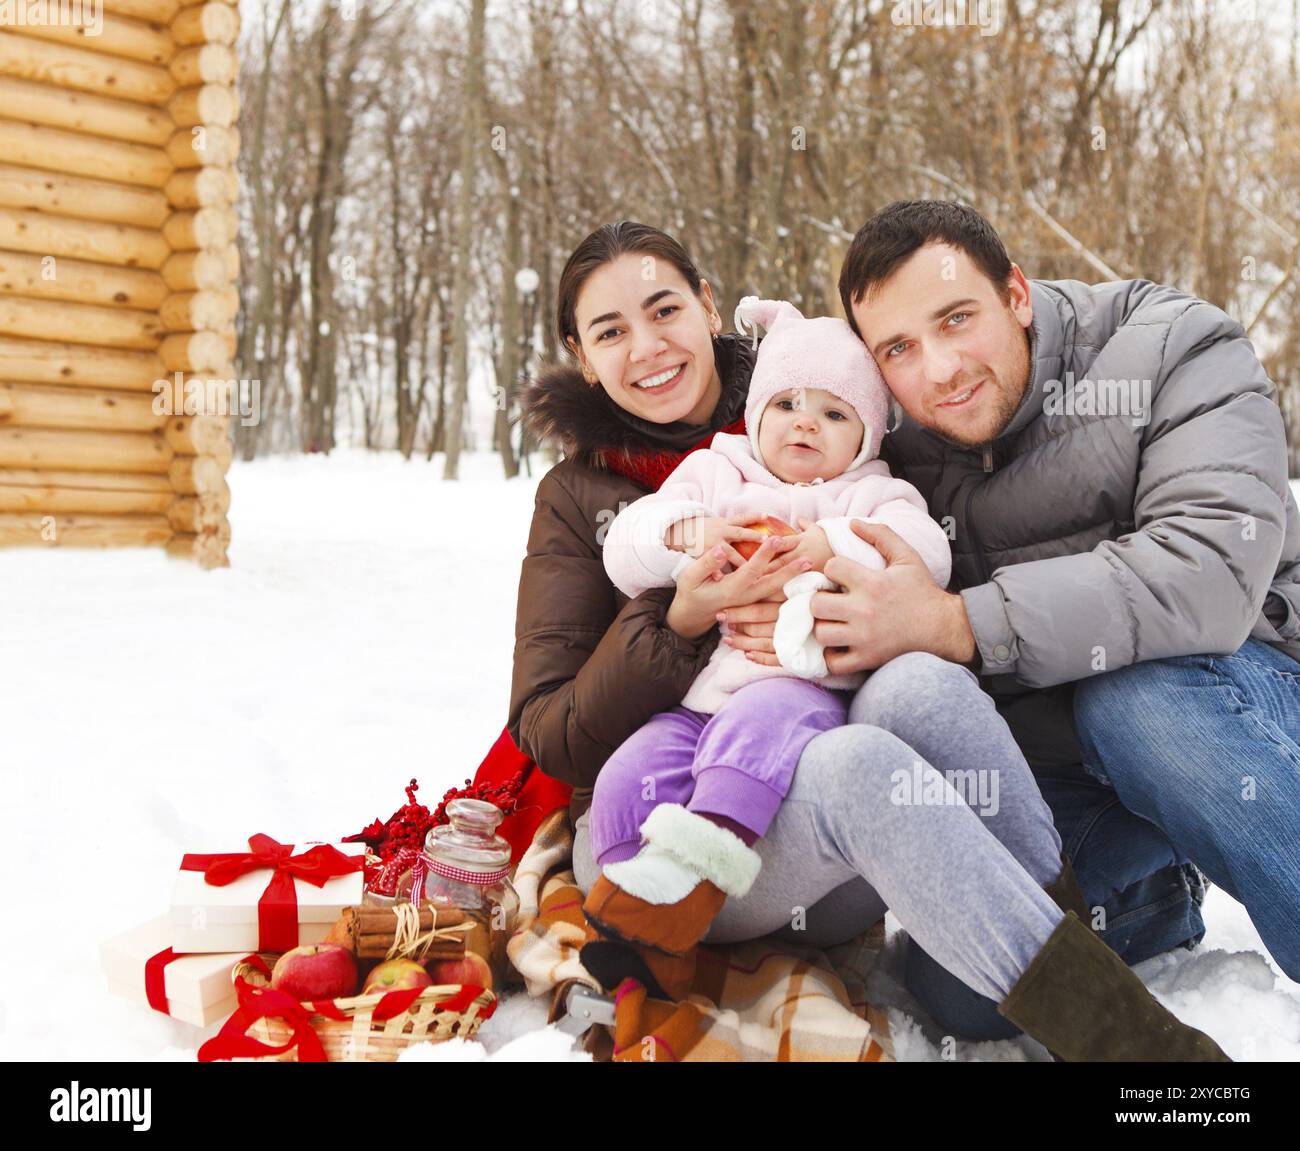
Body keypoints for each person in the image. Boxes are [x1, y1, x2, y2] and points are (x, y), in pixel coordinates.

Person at [508, 218, 1228, 1059]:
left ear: (708, 307)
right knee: (857, 764)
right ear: (582, 354)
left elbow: (923, 548)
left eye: (663, 308)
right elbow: (553, 732)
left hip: (816, 799)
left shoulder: (842, 410)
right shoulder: (600, 495)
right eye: (610, 331)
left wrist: (864, 581)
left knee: (917, 684)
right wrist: (681, 615)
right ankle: (1142, 1053)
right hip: (657, 805)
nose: (647, 345)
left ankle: (1058, 927)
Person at [725, 198, 1299, 1031]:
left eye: (958, 319)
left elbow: (1207, 574)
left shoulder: (1176, 344)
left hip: (1243, 688)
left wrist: (954, 621)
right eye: (899, 349)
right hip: (1061, 758)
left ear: (1017, 294)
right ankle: (1153, 887)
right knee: (966, 982)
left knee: (1136, 707)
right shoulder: (894, 443)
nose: (941, 369)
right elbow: (756, 428)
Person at [578, 297, 953, 999]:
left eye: (835, 413)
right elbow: (626, 545)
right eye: (786, 404)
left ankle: (696, 871)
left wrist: (832, 544)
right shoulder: (721, 473)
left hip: (798, 691)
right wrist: (688, 533)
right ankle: (644, 933)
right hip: (698, 704)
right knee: (624, 777)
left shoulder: (868, 494)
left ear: (868, 435)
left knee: (754, 731)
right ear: (755, 415)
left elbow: (928, 557)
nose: (806, 422)